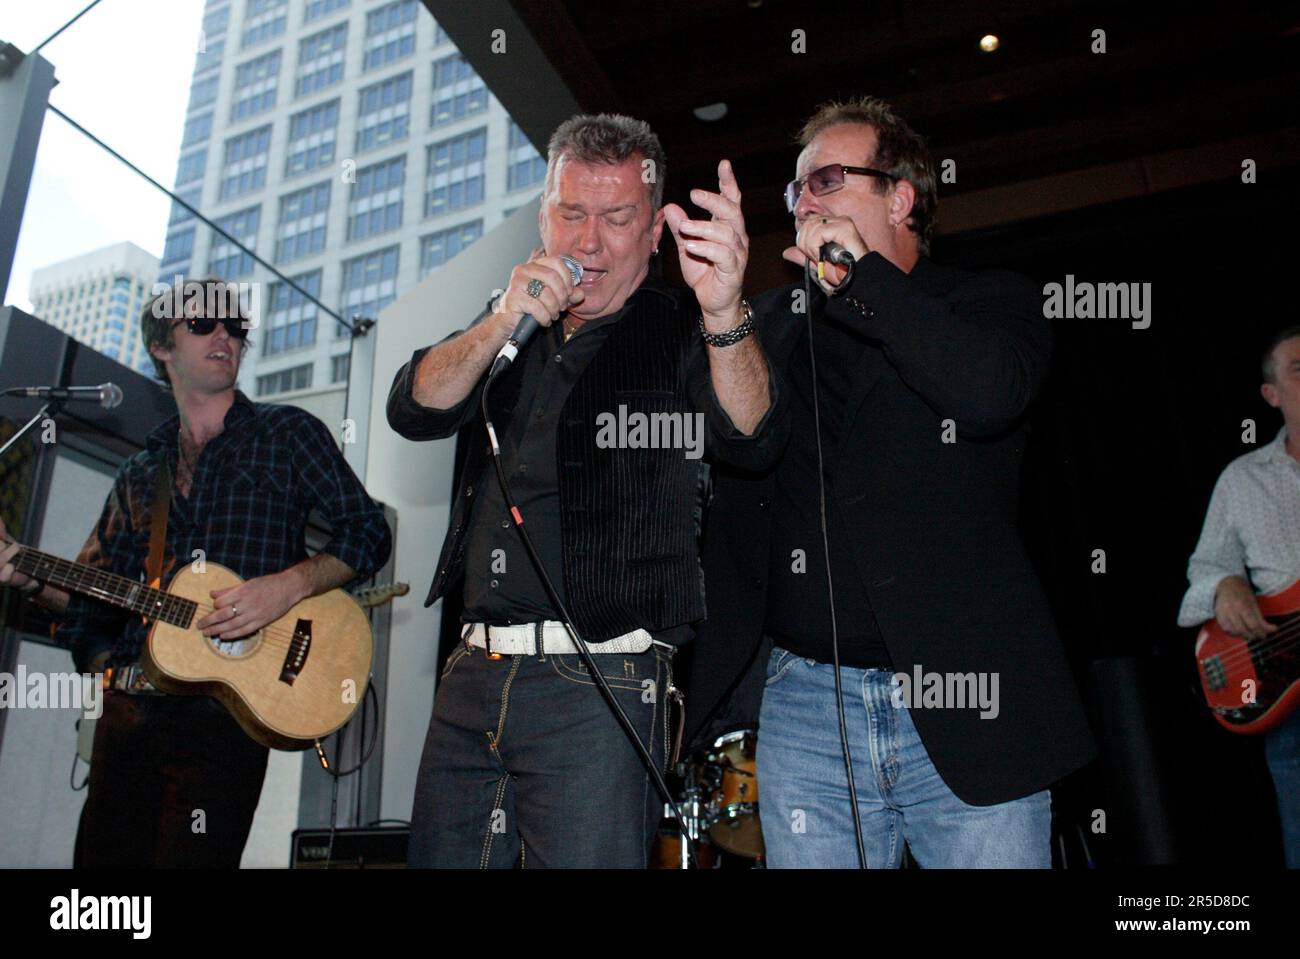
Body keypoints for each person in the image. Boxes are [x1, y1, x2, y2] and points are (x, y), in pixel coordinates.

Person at [688, 96, 1095, 868]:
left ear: (902, 195)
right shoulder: (770, 322)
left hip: (970, 694)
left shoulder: (986, 302)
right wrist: (721, 312)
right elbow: (741, 434)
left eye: (829, 179)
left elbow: (987, 395)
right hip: (810, 703)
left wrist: (864, 282)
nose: (805, 200)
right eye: (796, 190)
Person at [387, 113, 785, 868]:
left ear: (654, 233)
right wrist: (503, 319)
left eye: (617, 218)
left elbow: (753, 434)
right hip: (473, 670)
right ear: (544, 216)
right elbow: (414, 406)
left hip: (600, 676)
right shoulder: (512, 321)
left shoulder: (681, 326)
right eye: (571, 214)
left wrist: (727, 311)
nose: (589, 242)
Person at [0, 277, 392, 867]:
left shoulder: (286, 435)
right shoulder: (141, 471)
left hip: (224, 719)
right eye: (204, 324)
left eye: (235, 328)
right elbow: (91, 596)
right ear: (162, 346)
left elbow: (368, 532)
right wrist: (28, 575)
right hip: (128, 716)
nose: (224, 336)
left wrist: (285, 588)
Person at [1177, 325, 1300, 868]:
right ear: (1271, 396)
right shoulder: (1242, 479)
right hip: (1289, 690)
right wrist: (1226, 585)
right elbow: (1203, 570)